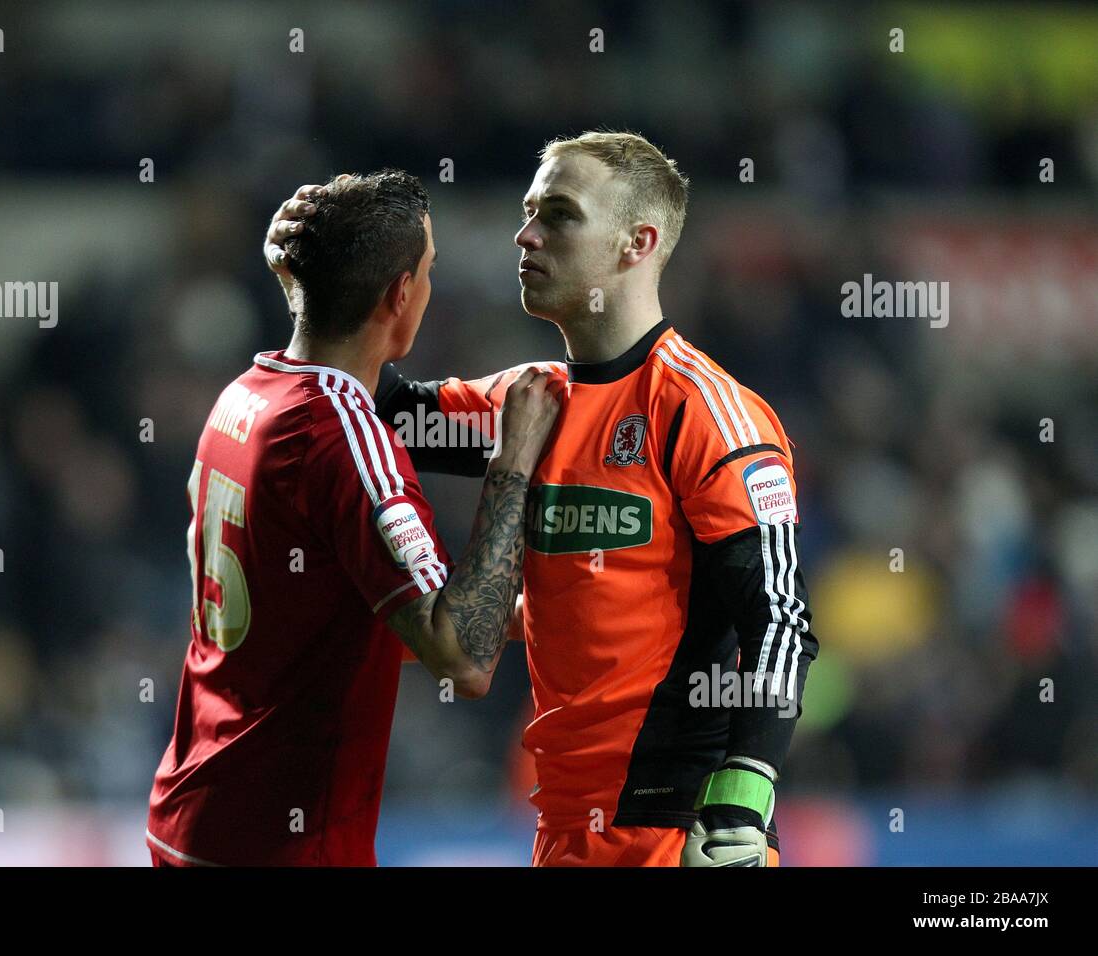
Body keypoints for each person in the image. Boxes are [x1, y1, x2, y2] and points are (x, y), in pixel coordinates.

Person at [265, 133, 819, 867]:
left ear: (637, 243)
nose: (525, 234)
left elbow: (779, 619)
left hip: (677, 833)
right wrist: (315, 284)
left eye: (558, 214)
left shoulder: (706, 413)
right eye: (528, 211)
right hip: (560, 830)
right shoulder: (528, 401)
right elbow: (371, 403)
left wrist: (742, 802)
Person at [148, 169, 560, 866]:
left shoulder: (243, 398)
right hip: (285, 843)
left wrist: (560, 612)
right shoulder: (343, 436)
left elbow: (322, 617)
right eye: (428, 270)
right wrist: (512, 461)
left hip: (192, 814)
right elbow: (461, 659)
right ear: (402, 294)